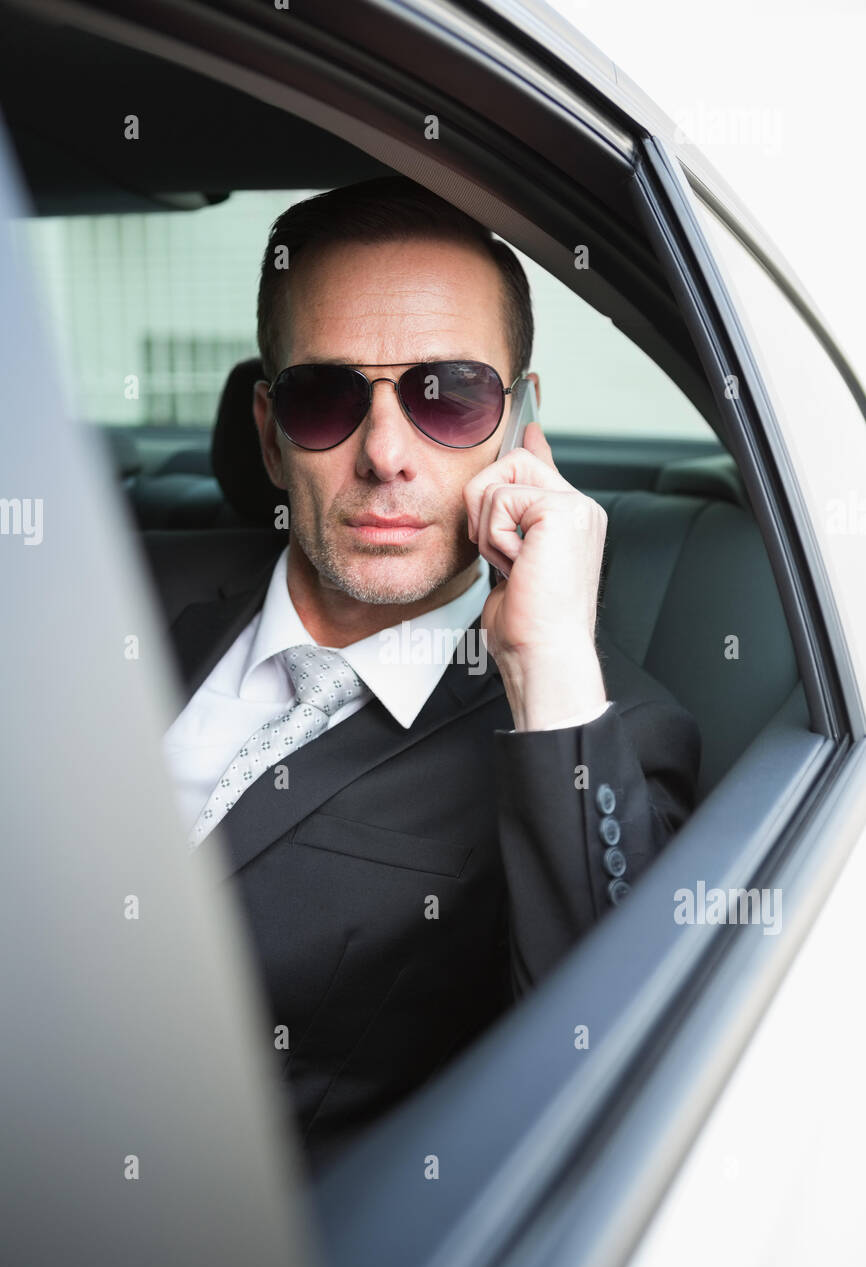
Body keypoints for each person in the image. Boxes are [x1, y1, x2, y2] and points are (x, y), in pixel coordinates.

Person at [154, 175, 700, 1175]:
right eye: (326, 397)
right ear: (270, 434)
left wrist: (544, 667)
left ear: (519, 424)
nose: (385, 453)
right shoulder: (129, 593)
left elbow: (619, 1079)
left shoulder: (581, 727)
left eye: (446, 395)